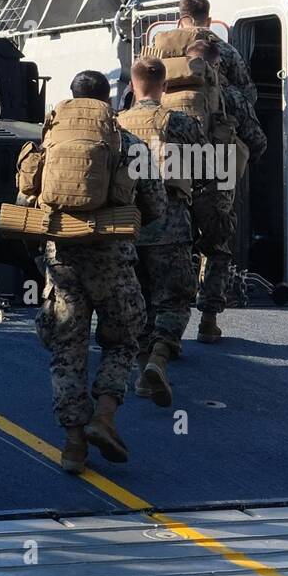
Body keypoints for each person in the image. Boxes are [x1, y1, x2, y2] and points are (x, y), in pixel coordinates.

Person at [31, 71, 167, 474]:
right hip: (113, 260)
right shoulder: (128, 142)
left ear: (71, 98)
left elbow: (26, 194)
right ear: (108, 101)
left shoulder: (51, 140)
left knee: (67, 350)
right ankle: (104, 416)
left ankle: (73, 445)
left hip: (62, 262)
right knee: (123, 341)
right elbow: (157, 206)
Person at [117, 58, 205, 407]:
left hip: (128, 225)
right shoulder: (179, 122)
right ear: (164, 87)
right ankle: (160, 357)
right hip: (171, 224)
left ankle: (141, 371)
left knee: (137, 299)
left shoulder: (117, 123)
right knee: (173, 298)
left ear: (132, 87)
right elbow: (204, 168)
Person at [195, 38, 267, 341]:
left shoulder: (167, 92)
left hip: (173, 176)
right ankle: (208, 321)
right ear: (219, 63)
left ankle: (163, 328)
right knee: (216, 247)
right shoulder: (231, 94)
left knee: (171, 248)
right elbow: (257, 139)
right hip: (218, 176)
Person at [176, 0, 257, 106]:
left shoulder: (161, 50)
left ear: (180, 21)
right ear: (209, 21)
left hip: (172, 117)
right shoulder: (226, 50)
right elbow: (249, 93)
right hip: (216, 118)